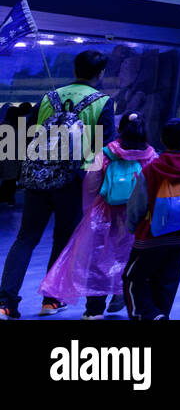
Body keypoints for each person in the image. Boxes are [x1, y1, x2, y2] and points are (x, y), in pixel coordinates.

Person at [0, 50, 115, 319]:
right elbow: (104, 147)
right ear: (100, 73)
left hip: (38, 178)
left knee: (25, 238)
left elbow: (27, 133)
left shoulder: (48, 97)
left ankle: (6, 302)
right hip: (73, 183)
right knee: (63, 240)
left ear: (75, 69)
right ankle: (51, 300)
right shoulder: (102, 102)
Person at [40, 111, 155, 319]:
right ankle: (126, 298)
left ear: (120, 130)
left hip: (105, 216)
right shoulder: (151, 156)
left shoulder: (106, 153)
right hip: (137, 218)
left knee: (98, 261)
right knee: (130, 258)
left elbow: (90, 185)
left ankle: (94, 310)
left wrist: (90, 213)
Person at [122, 118, 180, 320]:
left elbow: (137, 205)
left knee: (133, 278)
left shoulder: (151, 169)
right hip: (179, 238)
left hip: (150, 237)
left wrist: (132, 228)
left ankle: (149, 314)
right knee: (167, 283)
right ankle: (161, 315)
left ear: (162, 139)